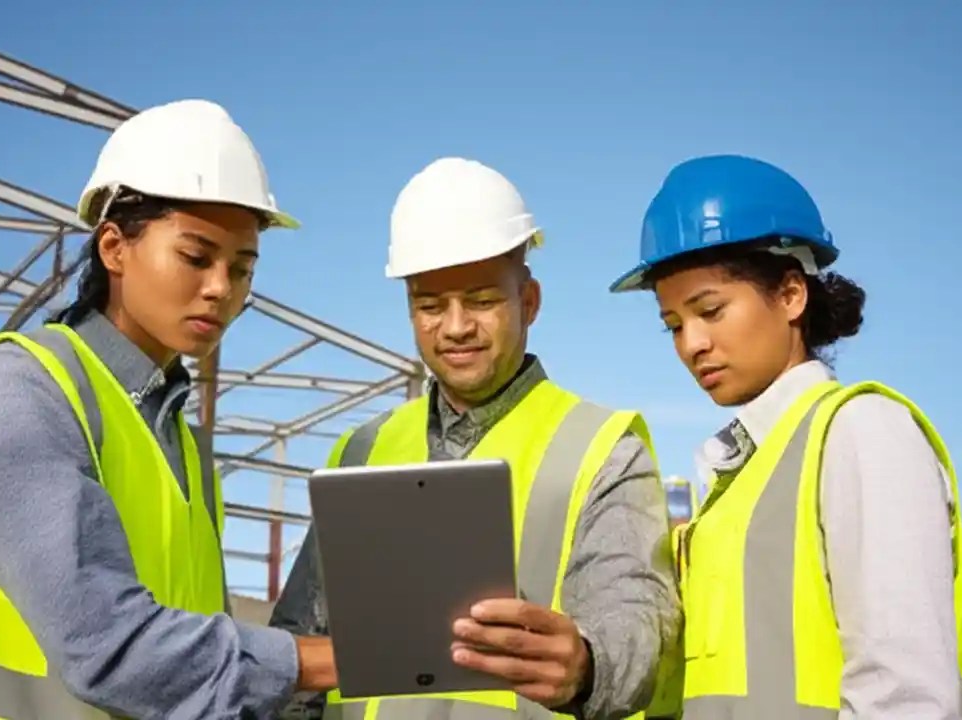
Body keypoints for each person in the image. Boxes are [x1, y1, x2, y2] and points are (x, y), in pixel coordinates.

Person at [0, 99, 337, 720]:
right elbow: (104, 643)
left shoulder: (181, 443)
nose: (222, 288)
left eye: (242, 269)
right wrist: (330, 659)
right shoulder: (25, 390)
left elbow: (192, 668)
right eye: (195, 257)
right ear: (114, 248)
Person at [271, 157, 683, 720]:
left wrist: (587, 665)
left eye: (483, 300)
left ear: (529, 302)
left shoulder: (602, 448)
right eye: (429, 305)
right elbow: (303, 643)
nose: (457, 326)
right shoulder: (360, 451)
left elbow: (635, 614)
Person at [608, 154, 962, 719]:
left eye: (710, 311)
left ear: (791, 295)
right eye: (673, 325)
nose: (691, 344)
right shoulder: (734, 483)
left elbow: (904, 697)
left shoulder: (862, 433)